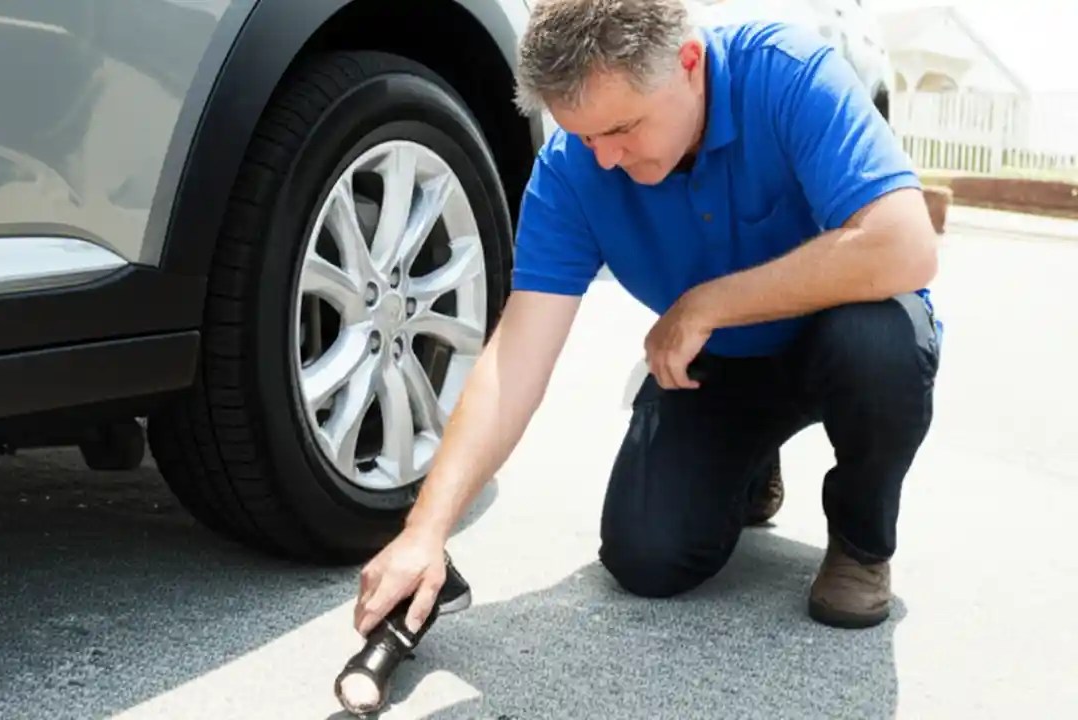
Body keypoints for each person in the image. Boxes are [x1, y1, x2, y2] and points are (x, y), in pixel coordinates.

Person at [354, 0, 941, 635]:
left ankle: (861, 540)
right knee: (646, 557)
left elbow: (904, 245)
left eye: (623, 128)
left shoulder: (790, 74)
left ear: (688, 62)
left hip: (837, 341)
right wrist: (424, 531)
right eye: (584, 136)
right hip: (714, 367)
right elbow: (513, 361)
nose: (605, 159)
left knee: (880, 346)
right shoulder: (572, 173)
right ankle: (750, 462)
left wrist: (707, 303)